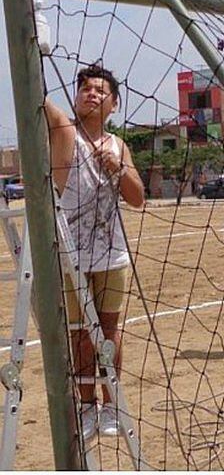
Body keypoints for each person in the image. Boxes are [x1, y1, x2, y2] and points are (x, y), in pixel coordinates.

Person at [43, 64, 145, 440]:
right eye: (85, 88)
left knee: (109, 330)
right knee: (80, 333)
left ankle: (112, 404)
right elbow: (43, 104)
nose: (91, 93)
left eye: (100, 91)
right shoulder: (66, 133)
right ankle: (88, 406)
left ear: (114, 104)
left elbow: (138, 198)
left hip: (111, 254)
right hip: (71, 257)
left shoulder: (118, 145)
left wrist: (119, 169)